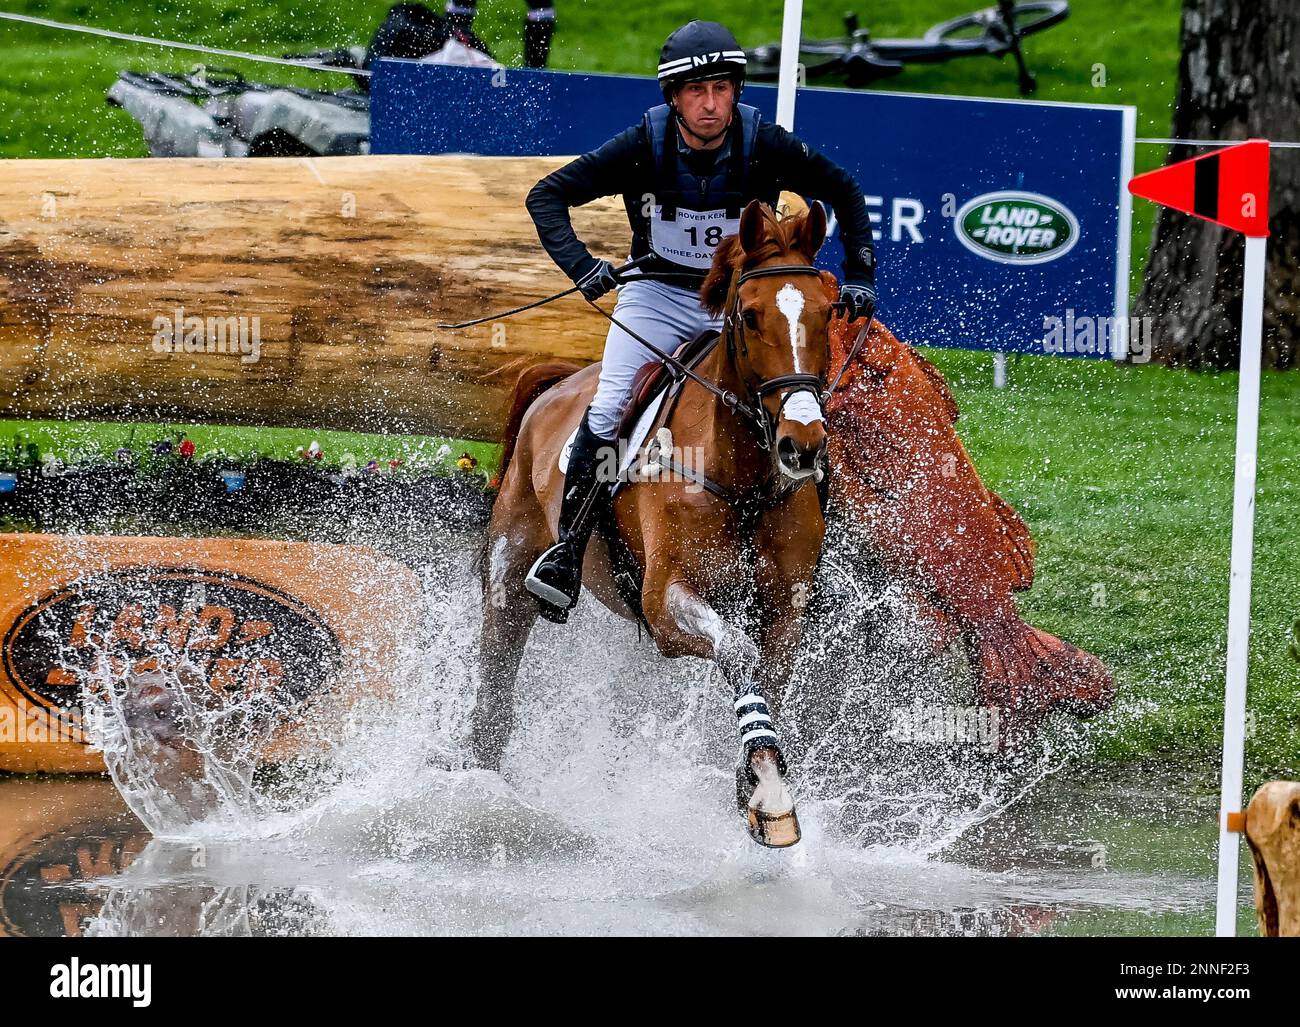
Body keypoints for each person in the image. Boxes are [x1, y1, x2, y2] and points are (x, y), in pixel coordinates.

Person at [522, 19, 878, 620]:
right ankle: (567, 551)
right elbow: (546, 196)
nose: (710, 104)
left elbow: (843, 188)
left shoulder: (766, 144)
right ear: (674, 98)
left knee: (797, 410)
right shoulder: (641, 145)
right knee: (608, 410)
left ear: (736, 91)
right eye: (696, 92)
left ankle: (819, 557)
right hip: (657, 298)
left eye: (721, 89)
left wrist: (862, 274)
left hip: (742, 308)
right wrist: (583, 269)